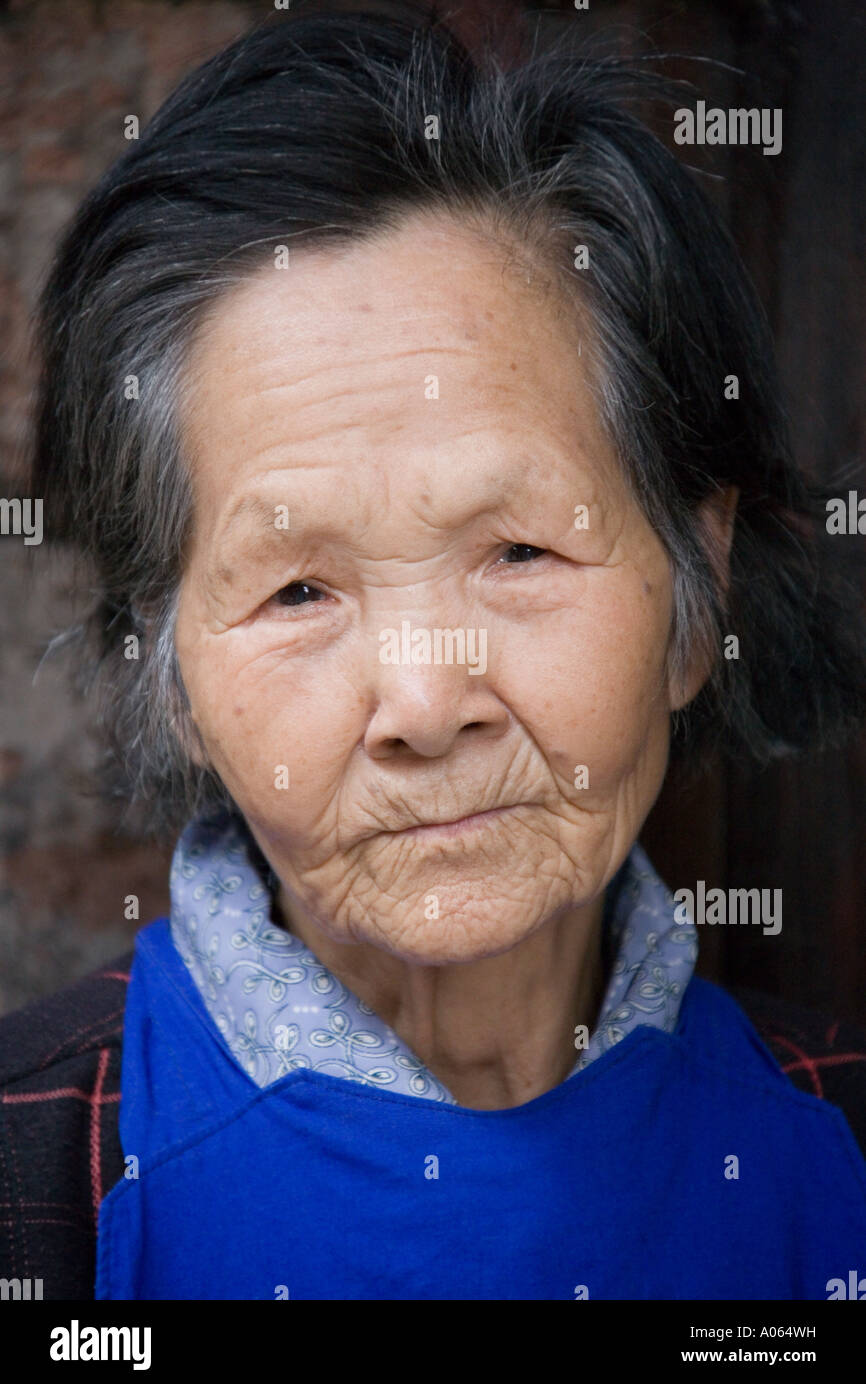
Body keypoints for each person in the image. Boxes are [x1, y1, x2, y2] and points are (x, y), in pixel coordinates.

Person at [2, 3, 866, 1301]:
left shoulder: (838, 1131)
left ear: (698, 594)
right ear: (168, 674)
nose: (420, 699)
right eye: (296, 588)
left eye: (518, 551)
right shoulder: (32, 1171)